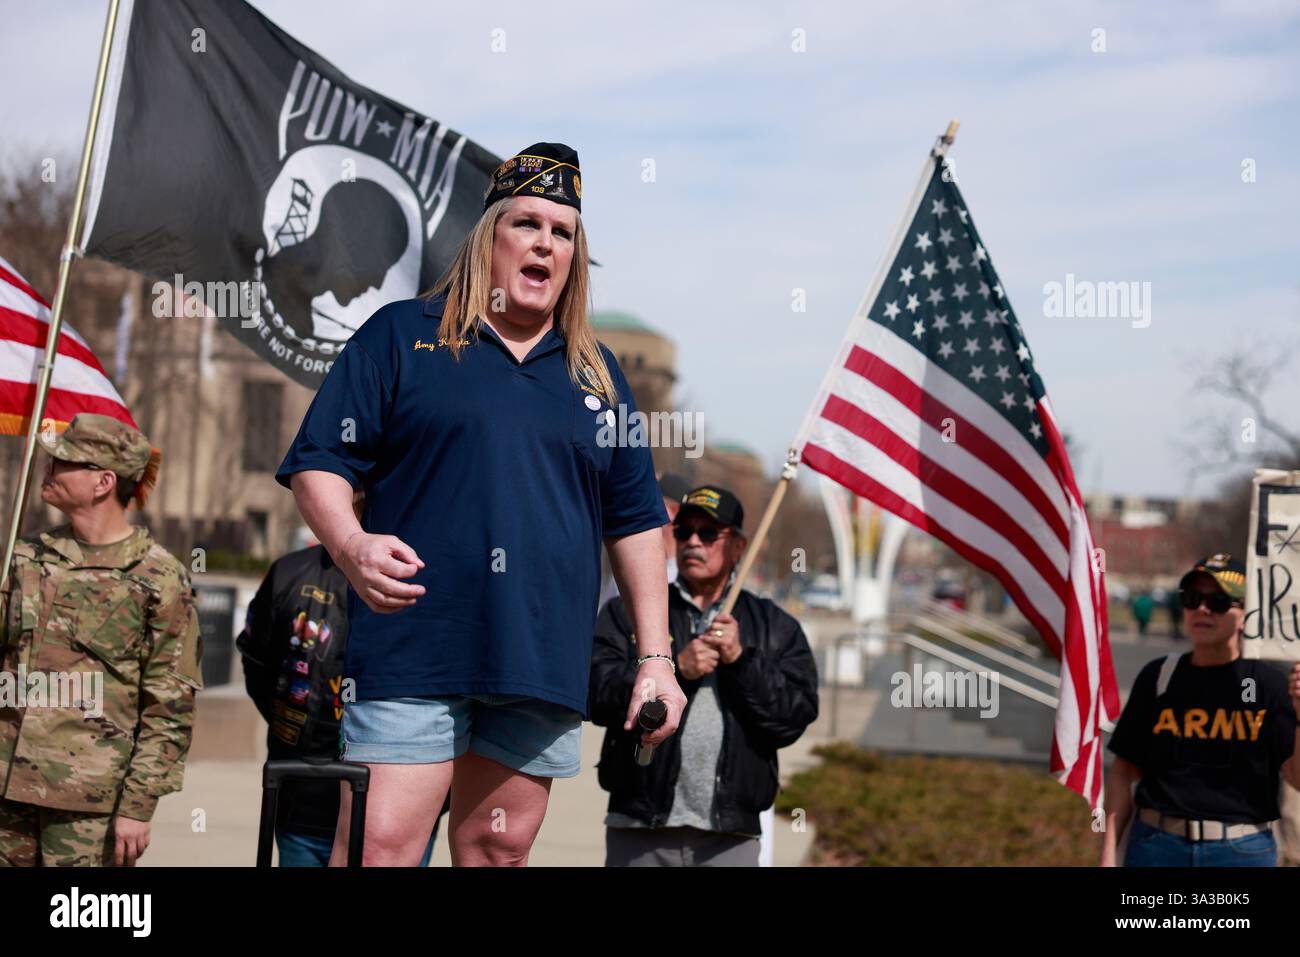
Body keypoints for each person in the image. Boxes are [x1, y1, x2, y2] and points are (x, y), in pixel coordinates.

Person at [276, 142, 685, 867]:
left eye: (563, 234)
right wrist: (351, 543)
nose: (545, 244)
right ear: (489, 237)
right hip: (412, 648)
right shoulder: (401, 338)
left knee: (496, 850)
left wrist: (657, 658)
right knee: (379, 849)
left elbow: (637, 520)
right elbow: (319, 463)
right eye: (527, 224)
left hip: (538, 660)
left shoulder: (599, 374)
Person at [0, 414, 202, 866]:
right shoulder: (26, 556)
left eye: (65, 462)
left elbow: (170, 706)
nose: (48, 470)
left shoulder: (158, 578)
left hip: (88, 804)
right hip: (5, 789)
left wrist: (138, 804)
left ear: (103, 482)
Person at [590, 485, 820, 866]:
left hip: (730, 836)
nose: (693, 542)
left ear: (739, 547)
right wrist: (674, 668)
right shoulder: (632, 611)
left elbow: (792, 717)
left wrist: (741, 660)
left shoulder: (775, 626)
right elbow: (596, 693)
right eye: (683, 532)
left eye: (709, 533)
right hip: (639, 826)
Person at [236, 490, 446, 866]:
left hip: (399, 809)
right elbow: (258, 666)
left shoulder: (428, 579)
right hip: (301, 801)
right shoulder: (290, 573)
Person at [1101, 554, 1300, 867]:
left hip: (1241, 852)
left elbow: (1297, 778)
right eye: (1193, 599)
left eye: (1219, 601)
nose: (1203, 609)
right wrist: (1108, 854)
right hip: (1155, 847)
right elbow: (1123, 772)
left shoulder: (1266, 685)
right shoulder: (1159, 677)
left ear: (1246, 614)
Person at [597, 472, 690, 608]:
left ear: (673, 512)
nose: (637, 508)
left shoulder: (683, 578)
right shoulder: (630, 560)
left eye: (647, 500)